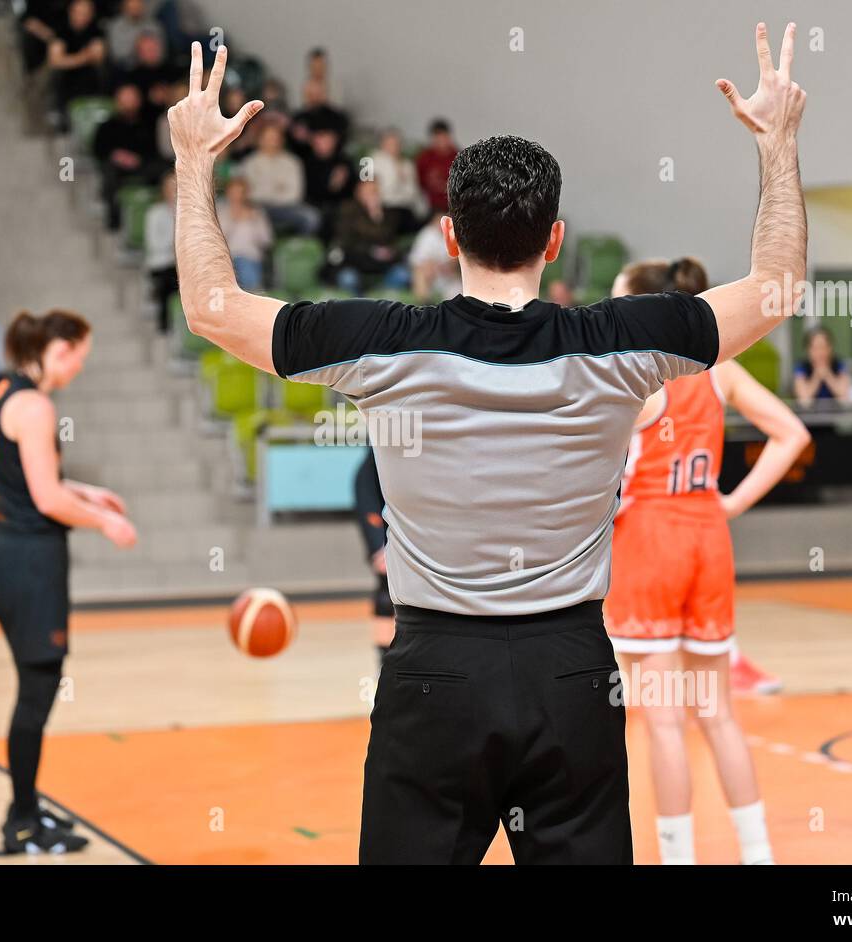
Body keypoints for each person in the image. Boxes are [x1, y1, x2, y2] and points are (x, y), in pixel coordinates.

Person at [167, 26, 807, 864]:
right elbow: (778, 289)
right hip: (572, 671)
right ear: (555, 239)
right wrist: (780, 143)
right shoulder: (622, 341)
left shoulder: (382, 340)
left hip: (436, 674)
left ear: (448, 236)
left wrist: (191, 161)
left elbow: (212, 306)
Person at [605, 256, 810, 865]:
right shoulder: (720, 367)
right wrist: (734, 501)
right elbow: (793, 434)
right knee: (718, 714)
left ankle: (678, 857)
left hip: (650, 540)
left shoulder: (641, 376)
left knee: (664, 722)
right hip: (707, 538)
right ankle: (758, 853)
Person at [0, 309, 137, 854]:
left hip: (6, 554)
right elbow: (46, 499)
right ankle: (22, 821)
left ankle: (24, 810)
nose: (79, 370)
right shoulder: (38, 406)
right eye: (81, 358)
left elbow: (28, 476)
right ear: (61, 349)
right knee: (37, 692)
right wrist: (106, 522)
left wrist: (90, 493)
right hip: (30, 562)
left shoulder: (4, 390)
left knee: (34, 689)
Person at [93, 82, 165, 230]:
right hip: (118, 168)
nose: (129, 103)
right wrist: (117, 156)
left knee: (165, 167)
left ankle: (163, 206)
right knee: (109, 171)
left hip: (143, 165)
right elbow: (98, 150)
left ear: (139, 100)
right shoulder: (107, 126)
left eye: (132, 98)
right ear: (117, 101)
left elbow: (154, 149)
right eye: (125, 98)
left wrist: (139, 159)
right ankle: (114, 216)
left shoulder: (147, 123)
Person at [236, 122, 318, 236]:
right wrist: (277, 189)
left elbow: (295, 194)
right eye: (267, 138)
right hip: (257, 208)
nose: (271, 142)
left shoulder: (293, 162)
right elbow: (247, 194)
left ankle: (295, 249)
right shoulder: (249, 163)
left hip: (285, 209)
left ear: (281, 140)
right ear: (259, 140)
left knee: (310, 217)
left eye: (275, 138)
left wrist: (265, 192)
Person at [354, 447, 394, 667]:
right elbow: (367, 502)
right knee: (385, 591)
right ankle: (385, 661)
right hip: (384, 529)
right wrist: (377, 547)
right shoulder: (371, 468)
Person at [333, 178, 407, 295]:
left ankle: (380, 305)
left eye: (375, 191)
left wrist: (377, 217)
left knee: (402, 274)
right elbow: (347, 243)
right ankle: (359, 307)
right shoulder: (348, 210)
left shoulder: (387, 214)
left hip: (380, 265)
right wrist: (372, 251)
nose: (373, 196)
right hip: (355, 262)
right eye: (368, 192)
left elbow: (390, 240)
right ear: (358, 193)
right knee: (348, 279)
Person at [216, 176, 271, 291]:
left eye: (240, 192)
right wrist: (233, 220)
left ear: (246, 194)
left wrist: (253, 221)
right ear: (227, 193)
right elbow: (217, 240)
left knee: (245, 265)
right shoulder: (220, 212)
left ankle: (254, 294)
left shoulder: (257, 213)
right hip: (226, 260)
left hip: (250, 258)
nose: (237, 197)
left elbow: (266, 241)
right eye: (233, 192)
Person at [370, 128, 426, 232]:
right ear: (383, 144)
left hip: (406, 207)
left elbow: (412, 192)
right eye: (390, 143)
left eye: (396, 143)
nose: (394, 147)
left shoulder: (407, 165)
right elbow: (372, 188)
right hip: (385, 206)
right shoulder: (374, 160)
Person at [144, 169, 177, 332]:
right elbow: (153, 243)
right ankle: (165, 325)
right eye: (171, 187)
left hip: (184, 264)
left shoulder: (191, 213)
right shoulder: (154, 213)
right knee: (169, 280)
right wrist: (176, 243)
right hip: (163, 262)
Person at [408, 209, 461, 302]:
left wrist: (449, 266)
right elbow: (418, 260)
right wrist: (432, 267)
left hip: (449, 275)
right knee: (420, 274)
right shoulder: (427, 234)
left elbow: (457, 259)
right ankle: (424, 306)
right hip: (429, 274)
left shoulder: (454, 234)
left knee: (456, 291)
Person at [793, 326, 851, 406]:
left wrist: (827, 375)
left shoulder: (839, 365)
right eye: (815, 348)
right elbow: (804, 401)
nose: (819, 353)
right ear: (808, 350)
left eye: (823, 347)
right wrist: (816, 377)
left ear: (830, 348)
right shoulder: (801, 367)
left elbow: (844, 398)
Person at [414, 118, 458, 214]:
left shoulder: (458, 156)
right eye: (438, 138)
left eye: (443, 137)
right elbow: (419, 183)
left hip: (454, 205)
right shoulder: (425, 158)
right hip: (431, 207)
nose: (441, 142)